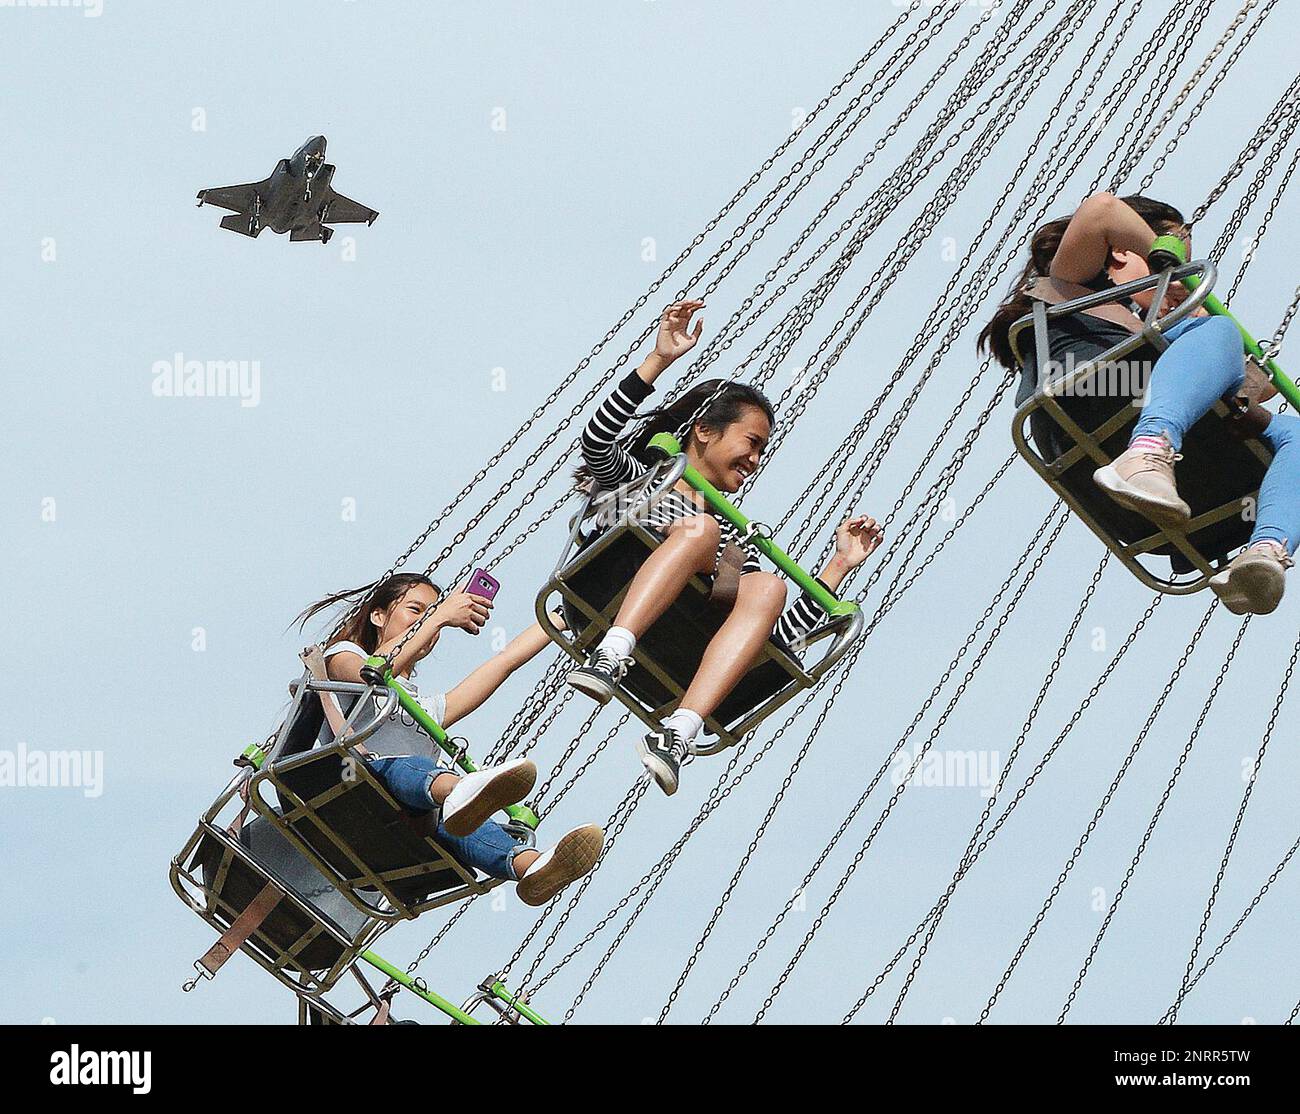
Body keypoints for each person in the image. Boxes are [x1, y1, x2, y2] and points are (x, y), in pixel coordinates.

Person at [568, 299, 884, 794]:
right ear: (703, 430)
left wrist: (839, 565)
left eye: (762, 451)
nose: (755, 459)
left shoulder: (738, 540)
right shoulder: (639, 477)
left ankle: (679, 732)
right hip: (605, 589)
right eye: (751, 442)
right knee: (702, 531)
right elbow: (597, 439)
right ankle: (611, 654)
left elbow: (777, 637)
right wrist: (657, 361)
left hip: (680, 647)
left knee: (768, 586)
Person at [980, 192, 1300, 615]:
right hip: (1091, 393)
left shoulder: (1163, 345)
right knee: (1218, 332)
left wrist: (1244, 400)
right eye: (1171, 261)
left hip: (1186, 495)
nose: (1180, 285)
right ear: (1119, 251)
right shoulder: (1074, 283)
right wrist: (1171, 265)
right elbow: (1101, 209)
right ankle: (1148, 451)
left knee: (1294, 432)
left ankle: (1265, 553)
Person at [297, 572, 603, 906]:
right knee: (411, 770)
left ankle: (533, 867)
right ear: (378, 616)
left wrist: (562, 618)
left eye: (431, 614)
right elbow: (370, 672)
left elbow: (505, 661)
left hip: (408, 817)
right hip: (352, 784)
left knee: (466, 825)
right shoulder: (342, 656)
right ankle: (460, 790)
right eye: (416, 610)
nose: (427, 621)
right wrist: (440, 616)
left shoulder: (427, 710)